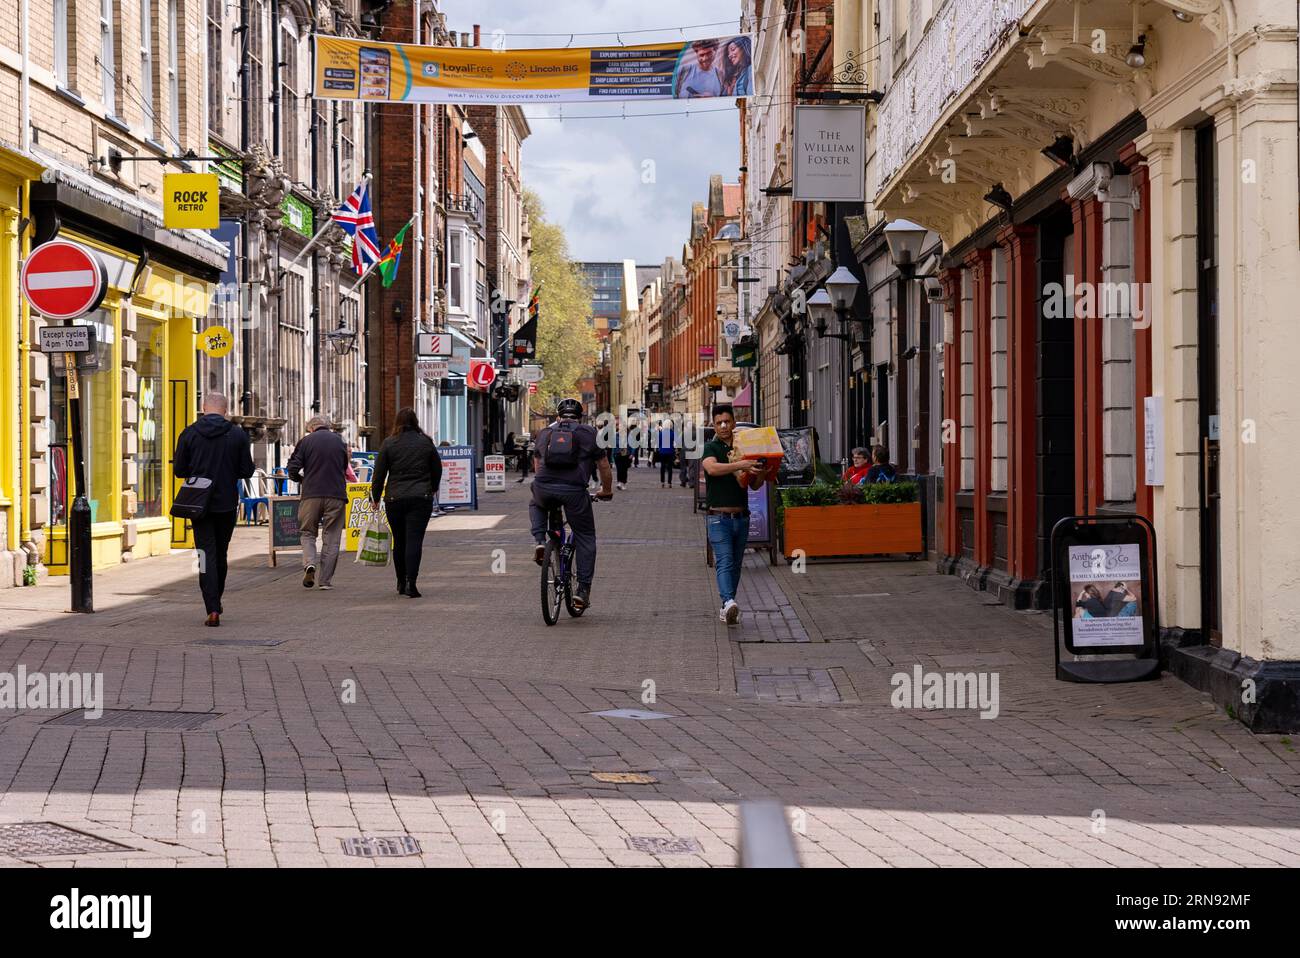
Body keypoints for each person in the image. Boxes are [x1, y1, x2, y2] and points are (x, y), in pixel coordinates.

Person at [173, 391, 254, 627]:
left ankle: (212, 607)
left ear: (203, 407)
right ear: (226, 410)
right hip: (226, 502)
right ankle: (216, 600)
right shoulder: (237, 435)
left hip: (198, 502)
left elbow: (179, 469)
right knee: (221, 552)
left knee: (205, 554)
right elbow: (246, 470)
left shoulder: (189, 433)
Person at [529, 398, 613, 611]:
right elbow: (603, 465)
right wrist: (606, 490)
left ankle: (540, 540)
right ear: (580, 417)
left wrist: (544, 483)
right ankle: (582, 590)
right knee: (585, 537)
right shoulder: (588, 433)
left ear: (558, 417)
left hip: (544, 486)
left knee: (536, 501)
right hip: (574, 491)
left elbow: (537, 462)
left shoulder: (546, 433)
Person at [702, 405, 771, 625]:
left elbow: (755, 485)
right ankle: (729, 601)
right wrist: (740, 464)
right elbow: (712, 469)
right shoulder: (710, 448)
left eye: (727, 421)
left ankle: (726, 607)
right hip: (718, 518)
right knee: (725, 561)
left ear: (734, 423)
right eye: (719, 422)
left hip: (742, 517)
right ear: (714, 425)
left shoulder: (746, 448)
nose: (723, 426)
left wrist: (762, 473)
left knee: (736, 564)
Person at [370, 409, 442, 597]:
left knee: (399, 541)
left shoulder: (389, 443)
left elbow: (379, 474)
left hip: (395, 499)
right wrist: (433, 487)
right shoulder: (426, 442)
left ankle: (400, 582)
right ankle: (412, 582)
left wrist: (375, 498)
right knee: (414, 540)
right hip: (420, 498)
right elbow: (437, 468)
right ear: (415, 421)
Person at [287, 416, 350, 592]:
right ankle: (325, 581)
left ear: (311, 428)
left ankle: (309, 564)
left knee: (307, 533)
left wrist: (301, 479)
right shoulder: (340, 442)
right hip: (336, 495)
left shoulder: (306, 441)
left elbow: (292, 467)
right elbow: (344, 467)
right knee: (332, 537)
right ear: (327, 426)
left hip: (311, 494)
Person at [656, 420, 677, 489]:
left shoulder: (661, 433)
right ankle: (669, 482)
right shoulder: (673, 433)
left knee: (662, 467)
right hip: (670, 451)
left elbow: (658, 442)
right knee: (670, 468)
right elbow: (675, 442)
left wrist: (659, 448)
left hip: (662, 451)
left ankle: (662, 482)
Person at [613, 419, 632, 489]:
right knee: (619, 468)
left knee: (624, 469)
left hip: (625, 453)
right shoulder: (616, 435)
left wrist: (632, 454)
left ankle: (623, 482)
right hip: (617, 453)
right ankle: (619, 482)